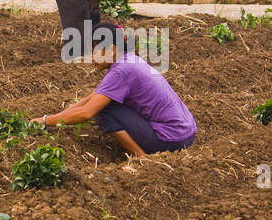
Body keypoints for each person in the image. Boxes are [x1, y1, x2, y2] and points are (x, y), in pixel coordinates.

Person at [33, 28, 196, 158]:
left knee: (104, 109)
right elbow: (93, 97)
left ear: (111, 49)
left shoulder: (121, 72)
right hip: (186, 134)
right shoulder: (130, 60)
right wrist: (55, 116)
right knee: (105, 101)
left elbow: (87, 112)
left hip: (169, 140)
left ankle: (141, 157)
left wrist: (47, 121)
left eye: (95, 52)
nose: (91, 58)